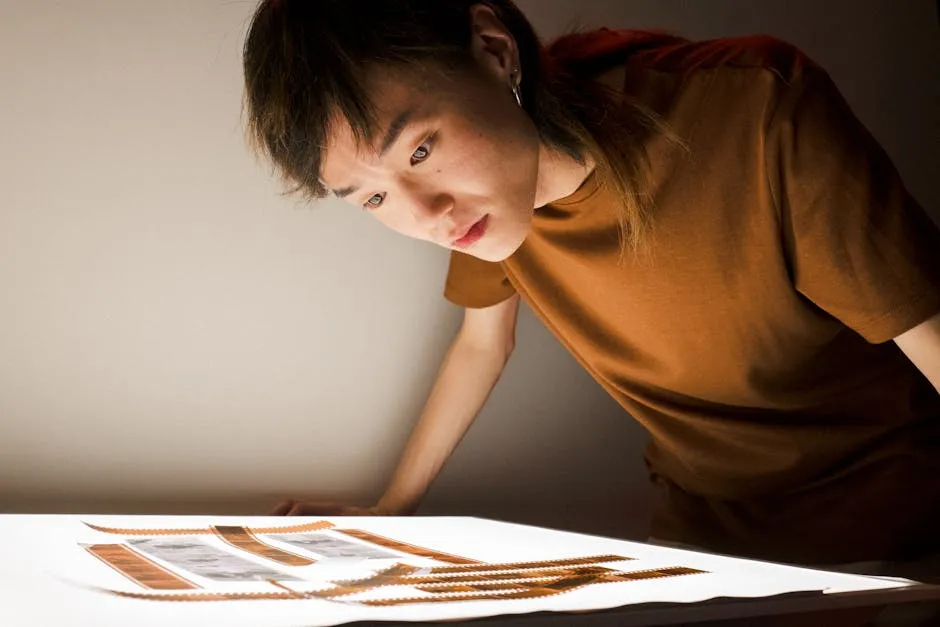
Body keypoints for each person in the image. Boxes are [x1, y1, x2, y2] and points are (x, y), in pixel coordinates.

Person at [242, 0, 940, 578]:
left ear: (494, 50)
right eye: (370, 198)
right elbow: (483, 342)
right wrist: (391, 508)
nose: (424, 215)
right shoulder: (489, 214)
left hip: (890, 513)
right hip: (707, 532)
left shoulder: (756, 109)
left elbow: (928, 329)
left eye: (421, 151)